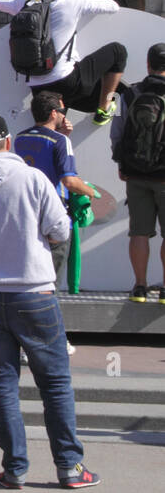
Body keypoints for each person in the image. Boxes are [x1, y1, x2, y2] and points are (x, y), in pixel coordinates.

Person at [0, 115, 99, 489]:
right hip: (35, 293)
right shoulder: (34, 179)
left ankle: (14, 468)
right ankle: (70, 468)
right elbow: (60, 230)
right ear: (8, 143)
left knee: (3, 383)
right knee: (55, 382)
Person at [0, 0, 125, 124]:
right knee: (118, 52)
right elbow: (113, 6)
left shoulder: (27, 1)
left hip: (37, 85)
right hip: (67, 80)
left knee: (53, 127)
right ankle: (103, 110)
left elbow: (1, 2)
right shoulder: (72, 1)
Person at [14, 91, 98, 286]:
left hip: (26, 210)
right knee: (51, 277)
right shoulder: (60, 142)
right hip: (53, 211)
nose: (63, 115)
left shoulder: (20, 137)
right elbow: (69, 181)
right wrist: (91, 192)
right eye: (62, 111)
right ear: (53, 113)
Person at [112, 42, 165, 302]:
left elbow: (117, 133)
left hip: (135, 173)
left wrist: (122, 165)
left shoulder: (131, 93)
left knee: (139, 232)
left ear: (148, 64)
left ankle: (140, 287)